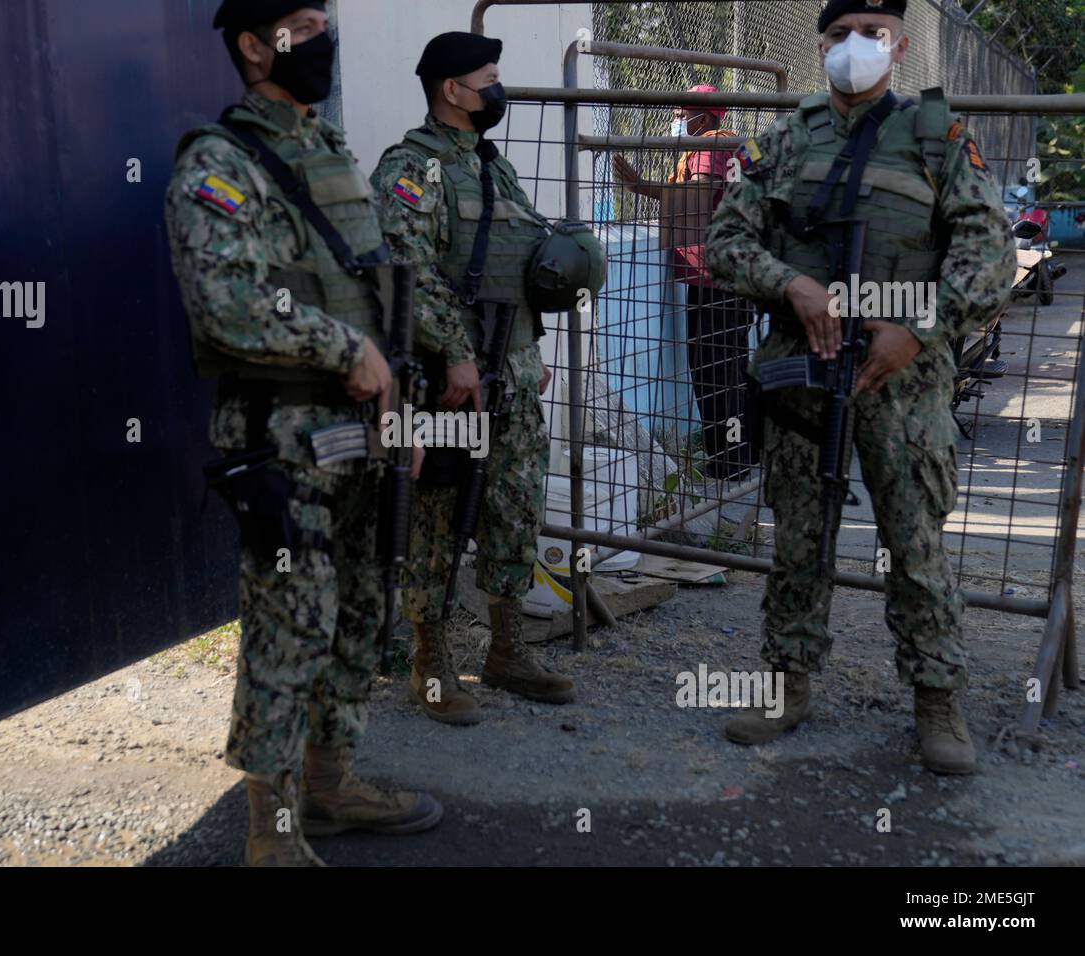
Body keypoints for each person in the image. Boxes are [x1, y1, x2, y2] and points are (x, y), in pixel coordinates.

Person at [163, 0, 442, 866]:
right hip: (284, 438)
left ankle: (331, 782)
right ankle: (270, 830)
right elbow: (226, 304)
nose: (324, 39)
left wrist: (399, 405)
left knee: (363, 608)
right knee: (292, 623)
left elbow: (369, 297)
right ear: (254, 45)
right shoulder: (220, 162)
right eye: (303, 25)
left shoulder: (328, 149)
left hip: (363, 428)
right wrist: (343, 348)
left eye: (326, 21)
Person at [705, 0, 1015, 774]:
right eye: (841, 34)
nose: (855, 48)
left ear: (900, 46)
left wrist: (921, 326)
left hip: (903, 381)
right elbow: (726, 241)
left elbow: (990, 255)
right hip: (803, 375)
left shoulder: (937, 138)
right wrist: (792, 286)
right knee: (798, 545)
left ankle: (937, 700)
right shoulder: (783, 137)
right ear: (821, 45)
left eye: (873, 34)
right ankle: (787, 679)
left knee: (915, 550)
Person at [370, 32, 579, 726]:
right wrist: (457, 351)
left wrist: (531, 347)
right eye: (488, 78)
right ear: (451, 90)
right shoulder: (412, 168)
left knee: (513, 507)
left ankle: (507, 649)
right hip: (448, 376)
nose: (498, 89)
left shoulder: (495, 166)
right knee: (436, 517)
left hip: (512, 371)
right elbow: (404, 270)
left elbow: (513, 262)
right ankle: (430, 662)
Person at [613, 86, 758, 480]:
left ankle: (728, 462)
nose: (676, 119)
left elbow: (700, 191)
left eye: (681, 112)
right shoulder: (735, 145)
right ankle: (743, 452)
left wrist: (644, 188)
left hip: (715, 279)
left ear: (703, 116)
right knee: (732, 366)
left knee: (713, 370)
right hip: (736, 274)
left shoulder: (710, 146)